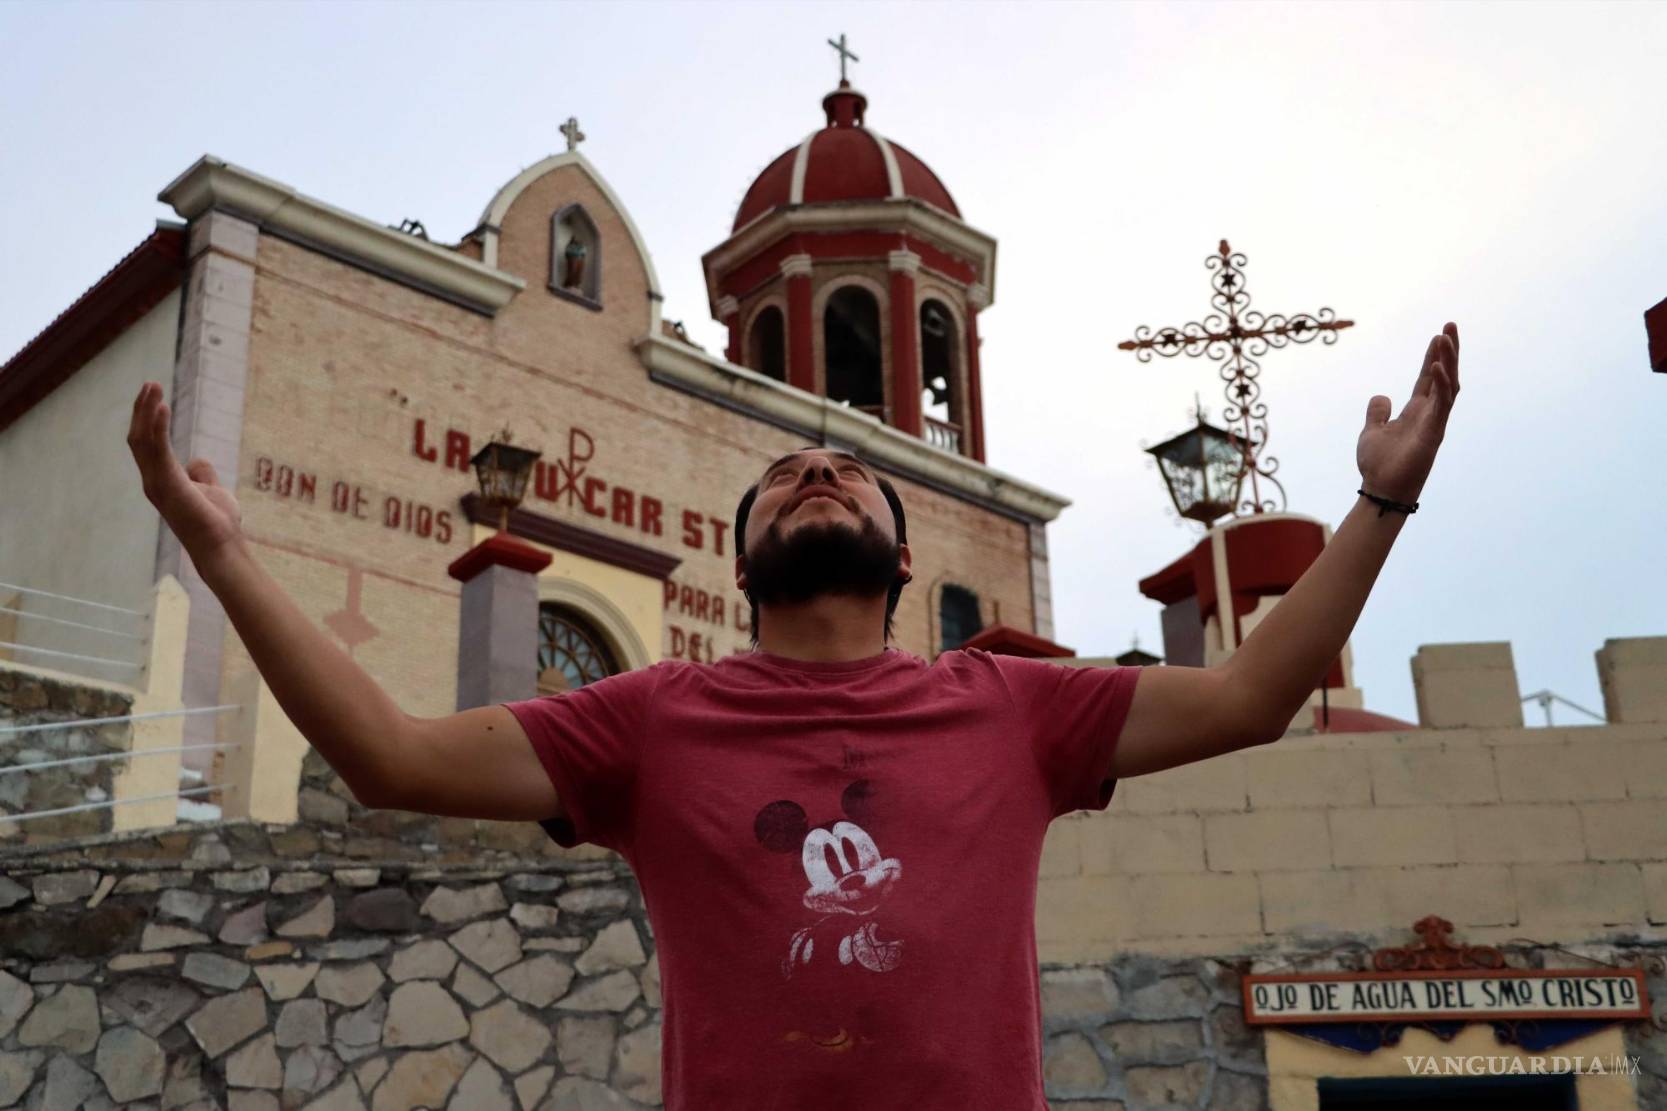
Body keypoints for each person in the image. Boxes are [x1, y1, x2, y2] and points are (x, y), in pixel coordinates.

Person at [125, 321, 1457, 1108]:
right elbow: (389, 757)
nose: (817, 468)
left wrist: (1382, 504)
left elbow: (1252, 693)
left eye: (847, 472)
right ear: (740, 553)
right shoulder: (646, 723)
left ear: (900, 554)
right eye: (781, 477)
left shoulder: (1012, 710)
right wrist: (224, 551)